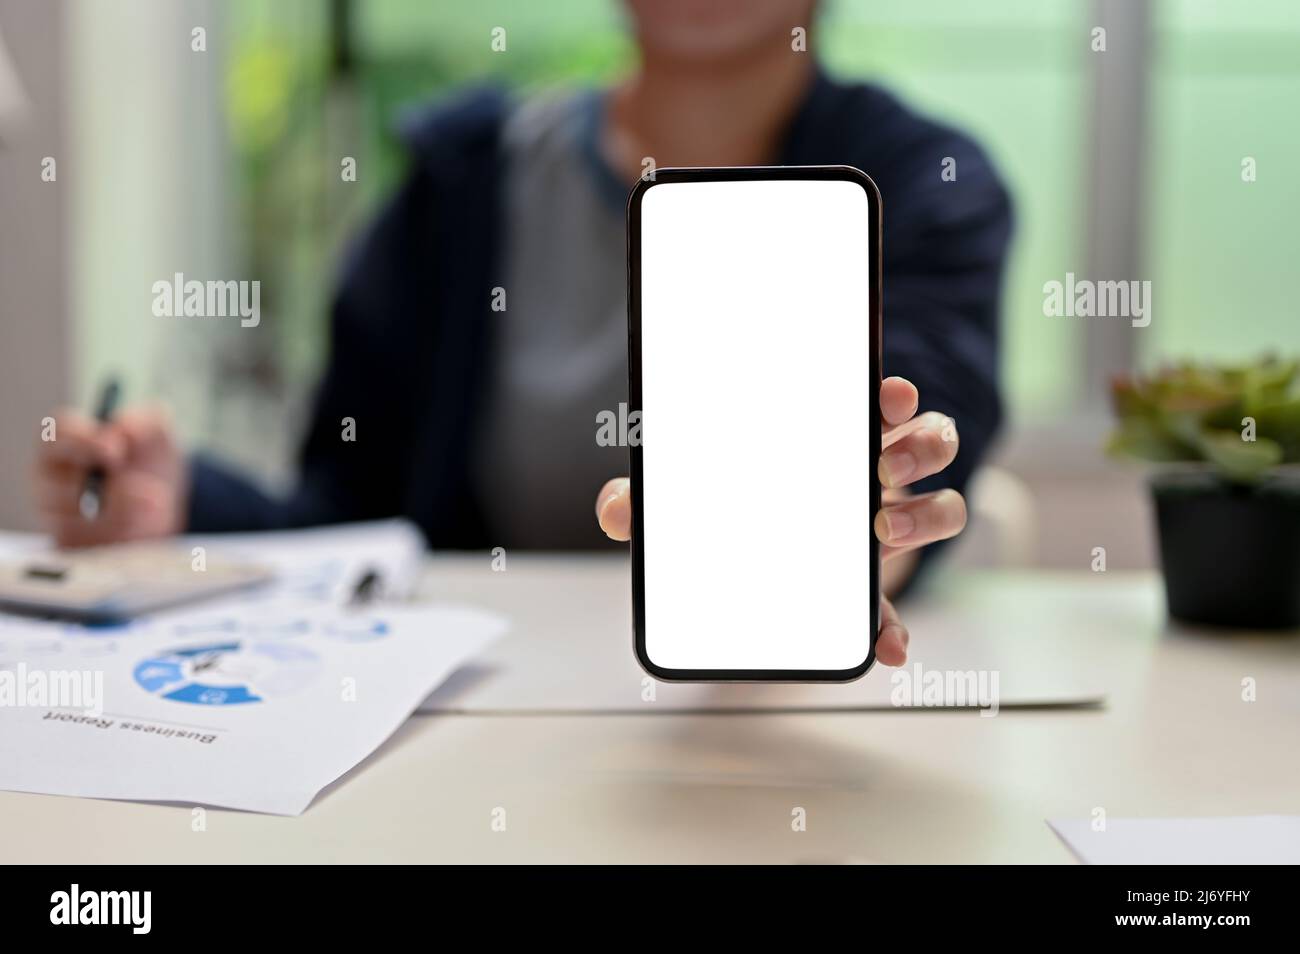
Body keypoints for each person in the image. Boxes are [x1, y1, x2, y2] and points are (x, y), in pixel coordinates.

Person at [32, 0, 1011, 667]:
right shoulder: (459, 185)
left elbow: (913, 441)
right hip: (478, 712)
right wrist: (183, 506)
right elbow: (355, 512)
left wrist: (849, 538)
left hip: (813, 733)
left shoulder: (924, 189)